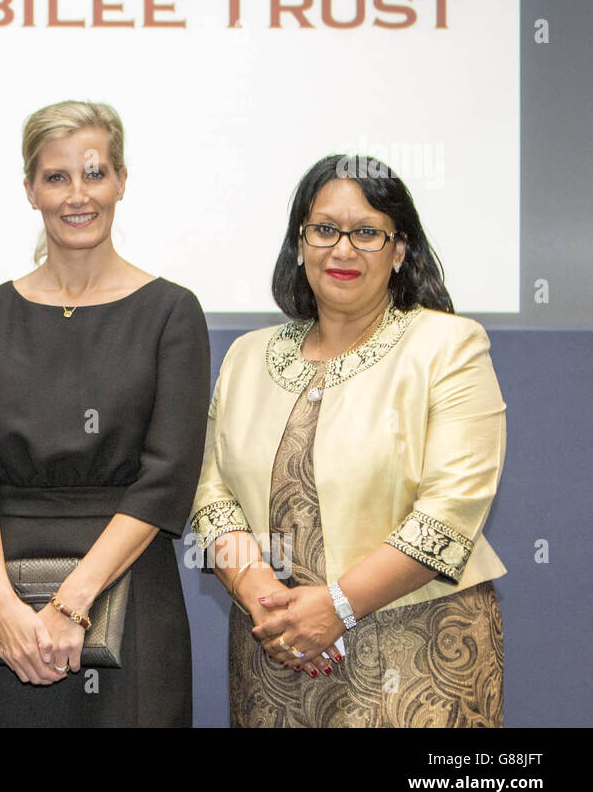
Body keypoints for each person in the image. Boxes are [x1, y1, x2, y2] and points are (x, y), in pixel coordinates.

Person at [189, 153, 506, 727]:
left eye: (366, 232)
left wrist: (336, 606)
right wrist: (268, 604)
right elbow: (212, 497)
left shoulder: (449, 346)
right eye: (324, 230)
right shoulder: (246, 357)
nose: (342, 249)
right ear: (300, 242)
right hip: (276, 654)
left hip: (415, 651)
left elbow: (450, 511)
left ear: (400, 248)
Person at [0, 100, 209, 726]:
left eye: (94, 173)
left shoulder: (171, 312)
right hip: (0, 609)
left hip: (129, 591)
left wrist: (71, 604)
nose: (77, 195)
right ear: (31, 190)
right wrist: (0, 604)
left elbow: (167, 476)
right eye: (56, 177)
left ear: (120, 180)